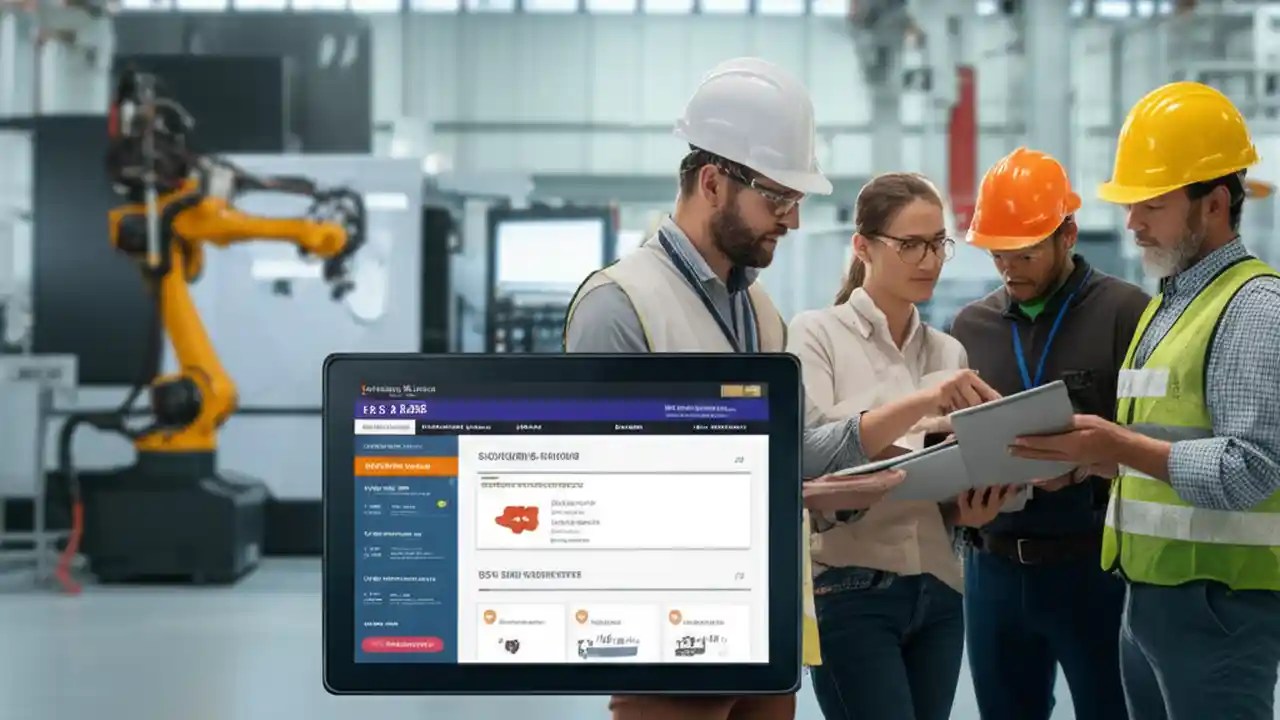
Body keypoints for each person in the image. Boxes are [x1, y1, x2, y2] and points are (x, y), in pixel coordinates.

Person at [562, 56, 910, 720]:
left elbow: (788, 451)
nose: (793, 221)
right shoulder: (621, 304)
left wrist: (850, 471)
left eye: (796, 201)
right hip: (668, 638)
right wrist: (799, 492)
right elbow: (594, 497)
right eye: (778, 200)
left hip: (763, 628)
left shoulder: (763, 314)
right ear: (714, 182)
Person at [1009, 81, 1280, 720]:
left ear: (1214, 204)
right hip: (1147, 599)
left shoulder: (1253, 307)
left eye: (1150, 204)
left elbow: (1255, 467)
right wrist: (1087, 460)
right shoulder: (1168, 303)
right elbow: (1167, 443)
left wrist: (1116, 443)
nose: (1130, 223)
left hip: (1219, 607)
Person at [787, 171, 1016, 720]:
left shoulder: (948, 352)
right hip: (850, 589)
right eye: (910, 244)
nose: (930, 260)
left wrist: (972, 508)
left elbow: (946, 478)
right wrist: (923, 400)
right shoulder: (816, 334)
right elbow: (812, 452)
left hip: (939, 589)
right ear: (862, 246)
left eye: (938, 243)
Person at [947, 147, 1151, 720]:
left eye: (1026, 252)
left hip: (1094, 573)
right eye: (998, 255)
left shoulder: (1125, 314)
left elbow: (1155, 444)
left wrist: (1091, 461)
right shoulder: (970, 328)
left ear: (1068, 235)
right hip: (992, 570)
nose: (1011, 269)